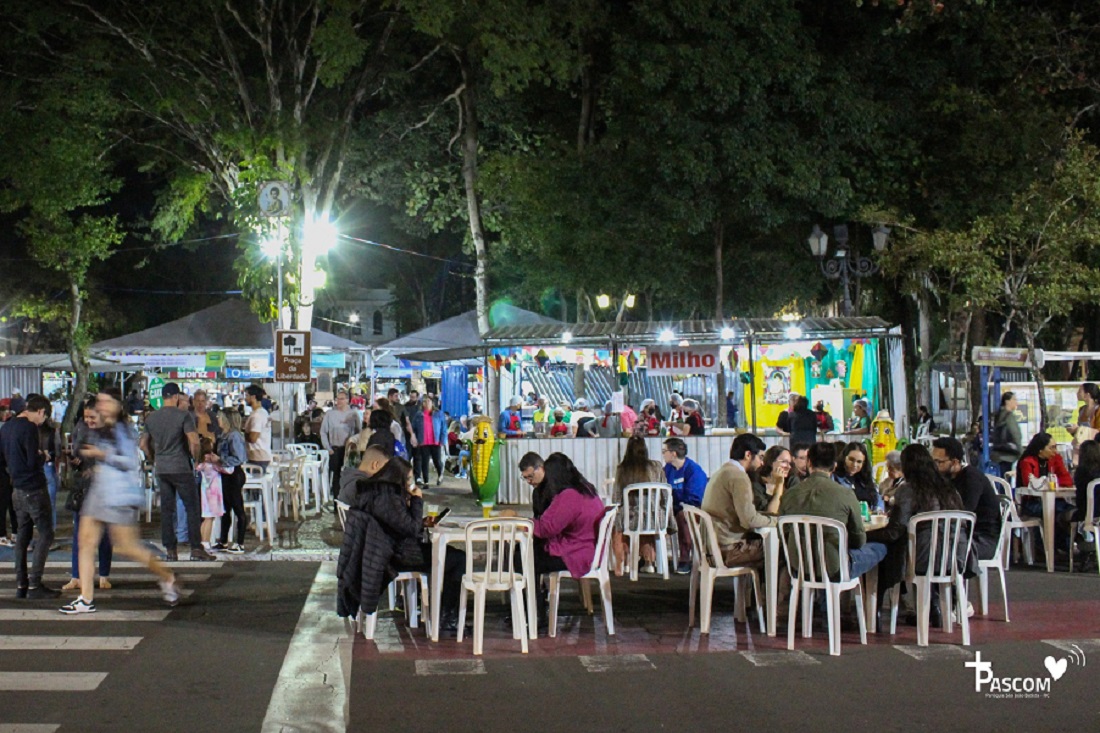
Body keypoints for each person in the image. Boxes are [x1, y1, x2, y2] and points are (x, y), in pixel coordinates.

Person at [60, 389, 181, 614]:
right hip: (99, 493)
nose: (102, 405)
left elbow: (129, 461)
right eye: (101, 401)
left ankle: (168, 576)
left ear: (118, 405)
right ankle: (86, 599)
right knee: (85, 542)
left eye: (107, 401)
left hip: (120, 495)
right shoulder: (98, 427)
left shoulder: (124, 429)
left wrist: (102, 455)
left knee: (128, 548)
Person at [336, 456, 466, 632]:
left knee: (449, 555)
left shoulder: (373, 492)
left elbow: (397, 522)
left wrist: (421, 522)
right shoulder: (388, 495)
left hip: (381, 551)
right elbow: (410, 530)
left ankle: (442, 612)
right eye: (409, 478)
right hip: (396, 554)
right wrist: (417, 500)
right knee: (457, 559)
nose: (410, 483)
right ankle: (447, 617)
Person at [867, 444, 964, 627]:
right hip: (954, 556)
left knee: (882, 554)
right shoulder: (949, 489)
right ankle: (934, 607)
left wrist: (867, 536)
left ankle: (875, 614)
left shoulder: (908, 490)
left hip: (923, 559)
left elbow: (895, 530)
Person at [780, 442, 887, 580]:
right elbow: (859, 541)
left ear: (809, 462)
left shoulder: (789, 494)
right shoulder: (846, 494)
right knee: (880, 548)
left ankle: (822, 600)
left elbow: (783, 534)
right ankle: (849, 600)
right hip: (835, 568)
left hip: (798, 568)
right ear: (835, 465)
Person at [526, 453, 606, 627]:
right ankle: (533, 608)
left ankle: (534, 613)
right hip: (586, 548)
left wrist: (523, 522)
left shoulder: (569, 495)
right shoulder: (587, 489)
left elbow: (548, 527)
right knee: (528, 554)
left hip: (577, 553)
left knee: (524, 559)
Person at [141, 382, 210, 561]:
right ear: (176, 397)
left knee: (167, 509)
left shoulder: (151, 418)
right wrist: (195, 459)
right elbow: (194, 441)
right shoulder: (183, 415)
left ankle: (170, 550)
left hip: (162, 468)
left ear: (163, 397)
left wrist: (153, 458)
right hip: (180, 466)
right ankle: (196, 548)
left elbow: (143, 444)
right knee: (192, 507)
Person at [0, 395, 59, 598]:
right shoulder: (29, 428)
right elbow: (32, 461)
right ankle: (35, 584)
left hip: (17, 489)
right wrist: (43, 455)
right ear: (41, 411)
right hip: (34, 487)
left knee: (22, 536)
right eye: (44, 417)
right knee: (45, 534)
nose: (43, 422)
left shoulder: (6, 427)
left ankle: (21, 583)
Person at [701, 433, 773, 569]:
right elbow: (749, 520)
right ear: (748, 455)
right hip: (729, 549)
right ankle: (774, 591)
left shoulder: (723, 471)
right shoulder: (738, 477)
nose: (762, 463)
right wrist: (777, 521)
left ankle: (754, 590)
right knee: (782, 549)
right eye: (760, 457)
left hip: (713, 546)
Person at [62, 399, 113, 591]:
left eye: (92, 417)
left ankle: (104, 575)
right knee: (79, 535)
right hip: (83, 487)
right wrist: (75, 460)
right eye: (86, 417)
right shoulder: (81, 428)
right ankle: (76, 576)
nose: (88, 421)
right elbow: (77, 451)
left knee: (104, 534)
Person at [932, 436, 1003, 562]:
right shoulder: (948, 477)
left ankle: (946, 582)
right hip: (962, 535)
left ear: (954, 462)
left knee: (934, 550)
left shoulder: (972, 479)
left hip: (982, 540)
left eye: (939, 462)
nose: (935, 467)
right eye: (933, 462)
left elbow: (964, 514)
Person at [611, 435, 666, 576]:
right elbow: (665, 495)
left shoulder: (622, 469)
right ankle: (649, 562)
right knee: (645, 518)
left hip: (631, 519)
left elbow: (616, 498)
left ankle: (621, 564)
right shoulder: (657, 466)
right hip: (655, 519)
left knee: (618, 524)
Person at [1013, 432, 1074, 553]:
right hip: (1032, 503)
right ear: (1040, 449)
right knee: (1055, 511)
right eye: (1051, 447)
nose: (1055, 451)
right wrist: (1048, 482)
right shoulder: (1027, 461)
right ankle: (1055, 547)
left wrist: (1051, 482)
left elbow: (1067, 480)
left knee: (1070, 511)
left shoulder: (1055, 459)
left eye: (1056, 447)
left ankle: (1065, 545)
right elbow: (1029, 485)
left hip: (1055, 500)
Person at [661, 437, 708, 574]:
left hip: (694, 509)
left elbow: (694, 499)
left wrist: (676, 507)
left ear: (673, 453)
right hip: (674, 508)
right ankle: (649, 558)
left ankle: (685, 558)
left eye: (664, 451)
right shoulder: (668, 469)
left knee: (684, 515)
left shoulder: (693, 470)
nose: (663, 454)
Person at [212, 408, 248, 554]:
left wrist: (220, 460)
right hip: (224, 474)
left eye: (220, 417)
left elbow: (240, 457)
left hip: (234, 474)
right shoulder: (223, 435)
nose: (218, 419)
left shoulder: (234, 436)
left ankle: (240, 542)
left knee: (238, 508)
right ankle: (223, 540)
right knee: (225, 509)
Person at [321, 390, 362, 493]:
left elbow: (359, 431)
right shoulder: (330, 414)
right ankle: (336, 500)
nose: (339, 401)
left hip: (349, 449)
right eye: (337, 399)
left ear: (347, 400)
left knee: (349, 475)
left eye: (341, 399)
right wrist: (328, 448)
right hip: (335, 449)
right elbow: (323, 432)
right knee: (336, 476)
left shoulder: (353, 414)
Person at [196, 438, 229, 553]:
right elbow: (228, 470)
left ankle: (201, 541)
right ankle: (206, 542)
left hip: (205, 494)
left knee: (206, 518)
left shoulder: (202, 465)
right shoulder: (213, 465)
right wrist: (219, 460)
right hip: (214, 496)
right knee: (210, 518)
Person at [833, 441, 883, 511]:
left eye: (859, 461)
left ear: (864, 463)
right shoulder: (833, 478)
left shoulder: (866, 480)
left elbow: (878, 502)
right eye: (851, 459)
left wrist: (878, 511)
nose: (854, 465)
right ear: (844, 458)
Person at [1072, 439, 1100, 563]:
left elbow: (1080, 500)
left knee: (1064, 517)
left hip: (1088, 512)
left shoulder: (1081, 472)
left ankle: (1084, 548)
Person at [410, 395, 446, 486]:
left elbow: (443, 429)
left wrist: (442, 440)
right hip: (424, 441)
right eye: (425, 401)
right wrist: (414, 437)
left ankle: (440, 474)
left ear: (432, 403)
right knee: (424, 462)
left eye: (428, 401)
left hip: (435, 441)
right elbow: (413, 427)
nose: (427, 403)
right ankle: (426, 481)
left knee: (437, 460)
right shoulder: (419, 414)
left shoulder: (438, 414)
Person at [989, 392, 1022, 476]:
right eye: (1014, 399)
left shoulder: (998, 415)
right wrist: (1021, 451)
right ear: (1007, 401)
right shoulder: (1009, 417)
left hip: (998, 452)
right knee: (1007, 480)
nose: (1016, 402)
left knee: (1001, 479)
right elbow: (1015, 435)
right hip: (1008, 454)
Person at [243, 385, 272, 470]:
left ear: (253, 397)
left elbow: (253, 438)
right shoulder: (262, 412)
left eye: (247, 395)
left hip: (257, 457)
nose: (245, 398)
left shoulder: (257, 415)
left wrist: (243, 434)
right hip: (260, 456)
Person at [754, 446, 792, 511]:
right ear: (771, 462)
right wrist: (779, 484)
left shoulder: (791, 481)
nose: (789, 467)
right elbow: (771, 512)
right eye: (784, 462)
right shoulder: (757, 485)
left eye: (790, 463)